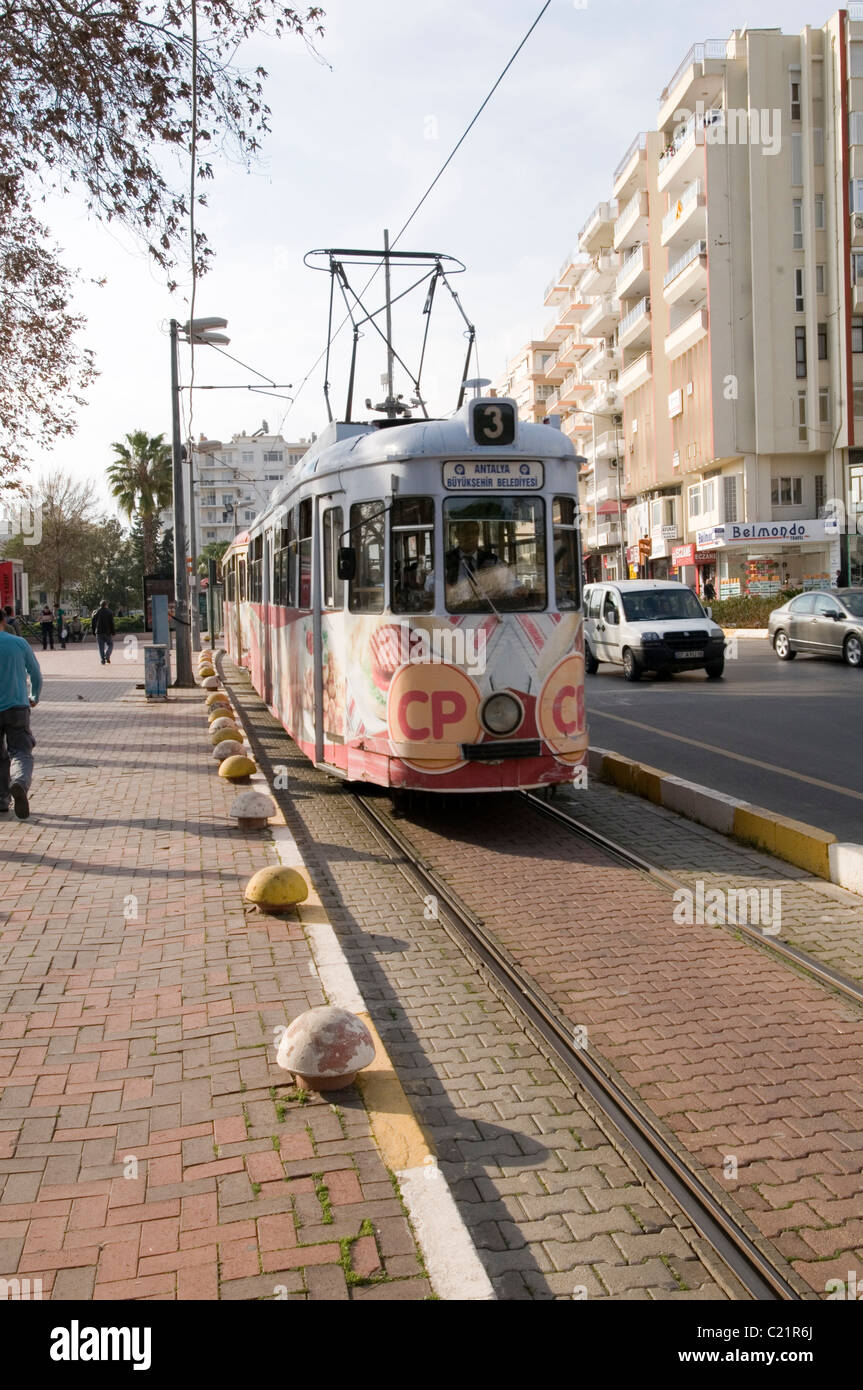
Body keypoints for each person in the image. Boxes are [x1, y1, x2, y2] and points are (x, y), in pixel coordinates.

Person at [0, 607, 42, 819]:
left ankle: (1, 799)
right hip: (16, 706)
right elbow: (35, 673)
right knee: (21, 751)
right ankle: (20, 782)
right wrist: (34, 696)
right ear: (4, 621)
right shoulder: (18, 643)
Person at [91, 599, 116, 664]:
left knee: (101, 646)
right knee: (110, 644)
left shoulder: (96, 612)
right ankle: (107, 655)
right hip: (107, 632)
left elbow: (93, 623)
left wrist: (93, 632)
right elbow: (112, 623)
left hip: (98, 632)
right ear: (106, 605)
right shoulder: (110, 612)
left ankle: (102, 660)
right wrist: (113, 632)